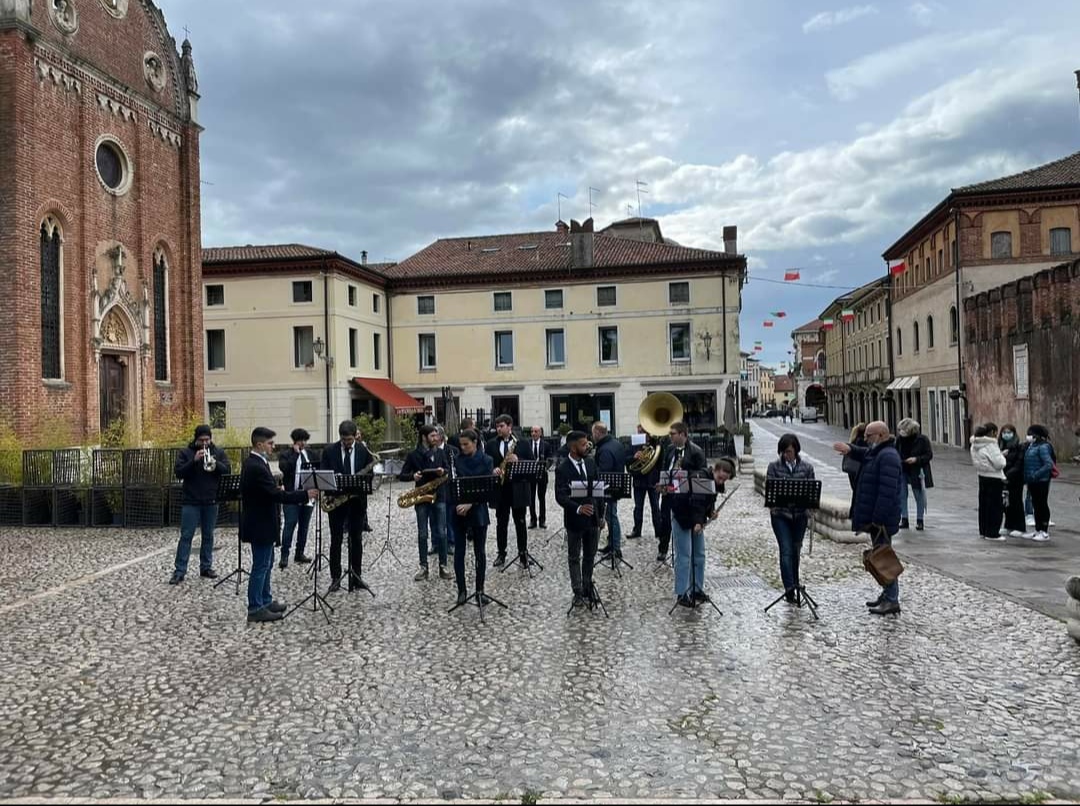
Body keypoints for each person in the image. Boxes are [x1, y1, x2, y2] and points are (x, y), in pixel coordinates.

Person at [240, 427, 318, 623]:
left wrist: (274, 488)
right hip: (260, 523)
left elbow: (267, 490)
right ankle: (255, 607)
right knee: (260, 566)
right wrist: (304, 494)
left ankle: (265, 600)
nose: (273, 446)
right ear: (259, 444)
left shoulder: (259, 462)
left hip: (265, 521)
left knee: (267, 564)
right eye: (270, 443)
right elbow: (274, 495)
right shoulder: (255, 466)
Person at [834, 421, 903, 615]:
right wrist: (850, 449)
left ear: (881, 435)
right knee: (881, 556)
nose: (865, 440)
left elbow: (887, 492)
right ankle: (887, 594)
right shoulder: (879, 452)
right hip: (877, 519)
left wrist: (878, 519)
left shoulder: (888, 456)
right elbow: (864, 454)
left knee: (885, 559)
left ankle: (891, 599)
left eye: (868, 436)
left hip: (882, 520)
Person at [170, 424, 230, 585]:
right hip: (191, 501)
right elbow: (179, 472)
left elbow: (227, 470)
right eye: (201, 440)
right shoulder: (186, 453)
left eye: (207, 439)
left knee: (208, 535)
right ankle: (180, 570)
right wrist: (194, 460)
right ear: (196, 439)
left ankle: (206, 567)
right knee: (186, 536)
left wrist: (215, 464)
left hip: (211, 500)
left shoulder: (217, 452)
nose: (205, 443)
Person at [320, 420, 373, 593]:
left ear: (355, 436)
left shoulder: (363, 450)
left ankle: (356, 576)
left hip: (356, 501)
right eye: (344, 440)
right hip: (336, 501)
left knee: (356, 539)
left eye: (350, 440)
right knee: (336, 539)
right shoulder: (329, 451)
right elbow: (324, 475)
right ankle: (335, 578)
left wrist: (363, 482)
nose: (347, 443)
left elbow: (369, 474)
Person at [766, 434, 816, 603]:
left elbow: (811, 493)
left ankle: (796, 583)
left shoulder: (807, 468)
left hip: (800, 515)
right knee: (786, 551)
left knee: (796, 550)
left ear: (796, 450)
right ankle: (789, 589)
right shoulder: (773, 467)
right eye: (784, 452)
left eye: (789, 451)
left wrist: (810, 506)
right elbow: (770, 490)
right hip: (781, 515)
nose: (786, 455)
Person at [398, 424, 452, 581]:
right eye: (433, 436)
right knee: (422, 534)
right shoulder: (414, 455)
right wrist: (412, 477)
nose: (436, 438)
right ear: (424, 437)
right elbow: (402, 475)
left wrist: (444, 471)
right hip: (422, 498)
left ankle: (443, 566)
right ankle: (423, 567)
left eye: (437, 436)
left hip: (439, 495)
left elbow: (448, 470)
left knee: (442, 533)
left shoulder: (441, 452)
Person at [556, 431, 603, 608]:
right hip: (575, 521)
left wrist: (601, 516)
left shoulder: (591, 463)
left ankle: (587, 586)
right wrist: (578, 508)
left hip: (592, 519)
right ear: (573, 447)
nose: (587, 446)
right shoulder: (562, 469)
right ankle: (577, 591)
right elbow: (560, 496)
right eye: (583, 444)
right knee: (574, 557)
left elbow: (599, 492)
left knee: (590, 555)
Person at [450, 429, 494, 605]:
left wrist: (471, 503)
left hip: (477, 510)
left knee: (480, 552)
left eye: (466, 444)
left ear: (475, 442)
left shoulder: (486, 460)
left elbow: (486, 487)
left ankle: (480, 590)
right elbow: (454, 485)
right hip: (459, 510)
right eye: (461, 445)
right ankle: (461, 590)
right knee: (459, 552)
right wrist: (459, 504)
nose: (462, 447)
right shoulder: (457, 461)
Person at [655, 421, 708, 563]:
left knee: (683, 527)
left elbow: (702, 476)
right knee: (665, 521)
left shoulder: (696, 452)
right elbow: (666, 469)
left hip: (686, 498)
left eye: (673, 434)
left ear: (683, 434)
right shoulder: (670, 449)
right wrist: (663, 484)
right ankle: (663, 548)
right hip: (670, 494)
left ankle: (687, 554)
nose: (670, 437)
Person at [485, 414, 530, 568]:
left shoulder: (523, 443)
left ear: (510, 426)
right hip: (501, 489)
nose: (498, 429)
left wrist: (519, 461)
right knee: (501, 523)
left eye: (501, 426)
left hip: (518, 488)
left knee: (521, 523)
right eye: (497, 426)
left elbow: (530, 463)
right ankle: (501, 553)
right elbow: (487, 463)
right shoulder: (490, 444)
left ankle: (523, 553)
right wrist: (493, 469)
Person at [277, 428, 314, 569]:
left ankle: (300, 552)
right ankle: (284, 555)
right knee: (289, 524)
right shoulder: (286, 455)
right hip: (291, 495)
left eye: (305, 440)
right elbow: (285, 468)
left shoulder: (309, 454)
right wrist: (295, 454)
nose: (303, 443)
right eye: (300, 440)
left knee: (304, 526)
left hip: (307, 494)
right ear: (295, 441)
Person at [592, 422, 626, 559]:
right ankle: (611, 544)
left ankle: (615, 548)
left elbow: (603, 473)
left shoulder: (605, 449)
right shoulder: (616, 443)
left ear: (598, 433)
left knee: (611, 517)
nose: (592, 436)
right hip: (616, 487)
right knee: (611, 515)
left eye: (593, 433)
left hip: (608, 489)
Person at [970, 423, 1007, 541]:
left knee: (984, 505)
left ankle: (984, 530)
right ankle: (992, 533)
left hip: (982, 475)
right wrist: (1002, 457)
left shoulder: (975, 444)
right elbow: (999, 463)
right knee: (995, 506)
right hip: (994, 477)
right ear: (992, 432)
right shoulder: (991, 444)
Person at [896, 418, 933, 530]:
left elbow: (928, 455)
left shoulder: (922, 440)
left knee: (919, 495)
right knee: (902, 495)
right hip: (902, 469)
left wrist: (916, 459)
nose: (901, 432)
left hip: (917, 470)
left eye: (903, 430)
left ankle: (920, 520)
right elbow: (895, 451)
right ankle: (904, 519)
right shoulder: (899, 440)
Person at [1022, 424, 1054, 541]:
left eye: (1030, 434)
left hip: (1041, 481)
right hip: (1032, 481)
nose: (1028, 436)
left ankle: (1044, 531)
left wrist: (1036, 475)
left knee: (1041, 505)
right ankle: (1038, 529)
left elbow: (1049, 464)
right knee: (1036, 504)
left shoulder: (1043, 447)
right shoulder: (1032, 446)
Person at [630, 424, 662, 540]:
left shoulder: (656, 444)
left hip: (653, 480)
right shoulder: (634, 443)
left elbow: (661, 463)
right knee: (638, 507)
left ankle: (659, 531)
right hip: (639, 480)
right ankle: (636, 530)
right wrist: (634, 457)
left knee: (655, 507)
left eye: (642, 431)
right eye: (639, 431)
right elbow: (627, 461)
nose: (640, 433)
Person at [999, 423, 1027, 538]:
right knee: (1006, 503)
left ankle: (1019, 526)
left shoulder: (1019, 447)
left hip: (1015, 479)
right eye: (1004, 432)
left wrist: (1007, 475)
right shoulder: (1000, 446)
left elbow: (1019, 464)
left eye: (1009, 432)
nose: (1006, 435)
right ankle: (1008, 525)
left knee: (1016, 502)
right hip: (1002, 479)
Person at [524, 425, 551, 529]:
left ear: (540, 433)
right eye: (532, 431)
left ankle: (542, 519)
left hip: (542, 474)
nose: (533, 434)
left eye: (536, 431)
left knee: (542, 498)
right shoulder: (528, 444)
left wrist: (546, 466)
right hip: (531, 474)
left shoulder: (546, 445)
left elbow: (550, 458)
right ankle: (533, 519)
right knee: (531, 498)